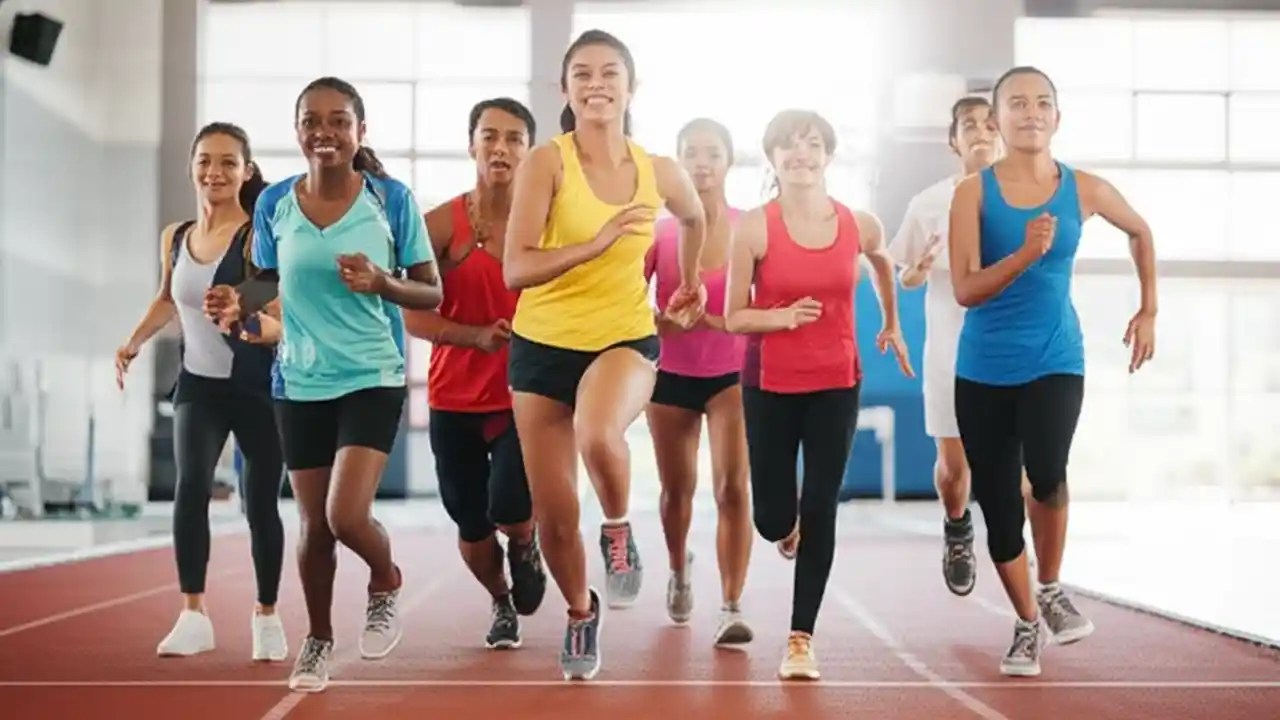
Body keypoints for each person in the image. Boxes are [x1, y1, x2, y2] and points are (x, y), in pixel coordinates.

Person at [204, 76, 443, 693]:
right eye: (313, 120)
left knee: (344, 513)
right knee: (313, 523)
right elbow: (263, 280)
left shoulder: (391, 199)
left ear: (360, 131)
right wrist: (237, 304)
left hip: (371, 374)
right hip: (300, 379)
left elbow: (431, 289)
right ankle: (316, 640)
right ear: (298, 131)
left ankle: (384, 577)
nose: (325, 131)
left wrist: (382, 284)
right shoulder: (275, 202)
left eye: (339, 120)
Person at [503, 29, 706, 681]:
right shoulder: (546, 162)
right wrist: (594, 244)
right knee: (556, 517)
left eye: (610, 71)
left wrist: (688, 282)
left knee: (598, 433)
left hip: (622, 336)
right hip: (540, 347)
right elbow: (515, 268)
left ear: (631, 86)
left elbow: (695, 218)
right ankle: (581, 612)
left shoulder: (658, 170)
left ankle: (618, 528)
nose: (597, 83)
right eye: (582, 73)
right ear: (564, 89)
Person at [947, 65, 1156, 677]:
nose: (1031, 112)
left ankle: (1052, 587)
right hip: (983, 369)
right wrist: (1025, 253)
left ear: (1057, 118)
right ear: (998, 120)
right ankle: (1024, 623)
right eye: (1017, 103)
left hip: (1055, 359)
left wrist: (1149, 308)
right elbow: (964, 289)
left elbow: (1140, 231)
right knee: (999, 512)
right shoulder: (973, 193)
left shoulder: (1083, 189)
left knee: (1047, 473)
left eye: (1042, 103)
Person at [724, 109, 914, 681]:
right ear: (773, 158)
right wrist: (779, 318)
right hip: (769, 383)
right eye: (788, 146)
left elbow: (883, 261)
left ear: (829, 155)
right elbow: (734, 316)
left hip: (837, 380)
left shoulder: (858, 223)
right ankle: (787, 531)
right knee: (772, 518)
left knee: (822, 503)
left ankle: (800, 639)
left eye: (811, 145)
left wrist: (891, 321)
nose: (800, 155)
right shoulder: (755, 227)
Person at [116, 122, 287, 663]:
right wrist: (133, 342)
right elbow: (168, 297)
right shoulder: (176, 235)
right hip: (198, 385)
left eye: (227, 163)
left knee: (260, 502)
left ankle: (267, 615)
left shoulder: (259, 239)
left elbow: (281, 320)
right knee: (190, 488)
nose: (214, 172)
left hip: (258, 386)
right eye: (205, 161)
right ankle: (193, 614)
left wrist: (246, 318)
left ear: (246, 171)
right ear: (192, 166)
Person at [402, 97, 547, 650]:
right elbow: (414, 314)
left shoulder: (547, 225)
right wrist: (476, 335)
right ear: (472, 145)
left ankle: (527, 542)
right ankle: (501, 601)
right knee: (471, 524)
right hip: (454, 396)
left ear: (529, 153)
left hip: (523, 395)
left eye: (514, 138)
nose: (501, 147)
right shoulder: (440, 224)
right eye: (490, 135)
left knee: (510, 502)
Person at [888, 96, 1010, 597]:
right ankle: (957, 526)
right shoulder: (929, 202)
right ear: (953, 140)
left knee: (1014, 467)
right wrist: (917, 270)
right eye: (969, 126)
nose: (980, 132)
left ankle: (1014, 549)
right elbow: (907, 273)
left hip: (1010, 349)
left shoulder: (1028, 197)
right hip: (951, 351)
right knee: (954, 470)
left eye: (988, 124)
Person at [643, 117, 752, 645]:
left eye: (713, 152)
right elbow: (626, 307)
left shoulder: (749, 227)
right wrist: (666, 321)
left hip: (733, 374)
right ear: (678, 162)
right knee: (676, 492)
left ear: (730, 162)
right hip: (670, 375)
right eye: (692, 153)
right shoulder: (658, 231)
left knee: (733, 487)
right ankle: (679, 571)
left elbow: (764, 304)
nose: (702, 163)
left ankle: (731, 604)